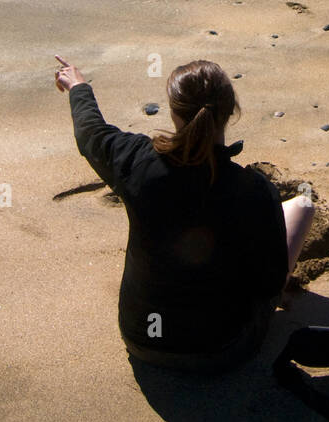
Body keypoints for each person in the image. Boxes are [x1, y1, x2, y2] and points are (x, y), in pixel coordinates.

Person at [54, 54, 314, 373]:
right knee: (303, 204)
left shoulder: (136, 162)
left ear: (174, 112)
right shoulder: (254, 190)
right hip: (221, 347)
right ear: (231, 112)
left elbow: (90, 133)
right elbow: (270, 281)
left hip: (142, 338)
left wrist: (79, 86)